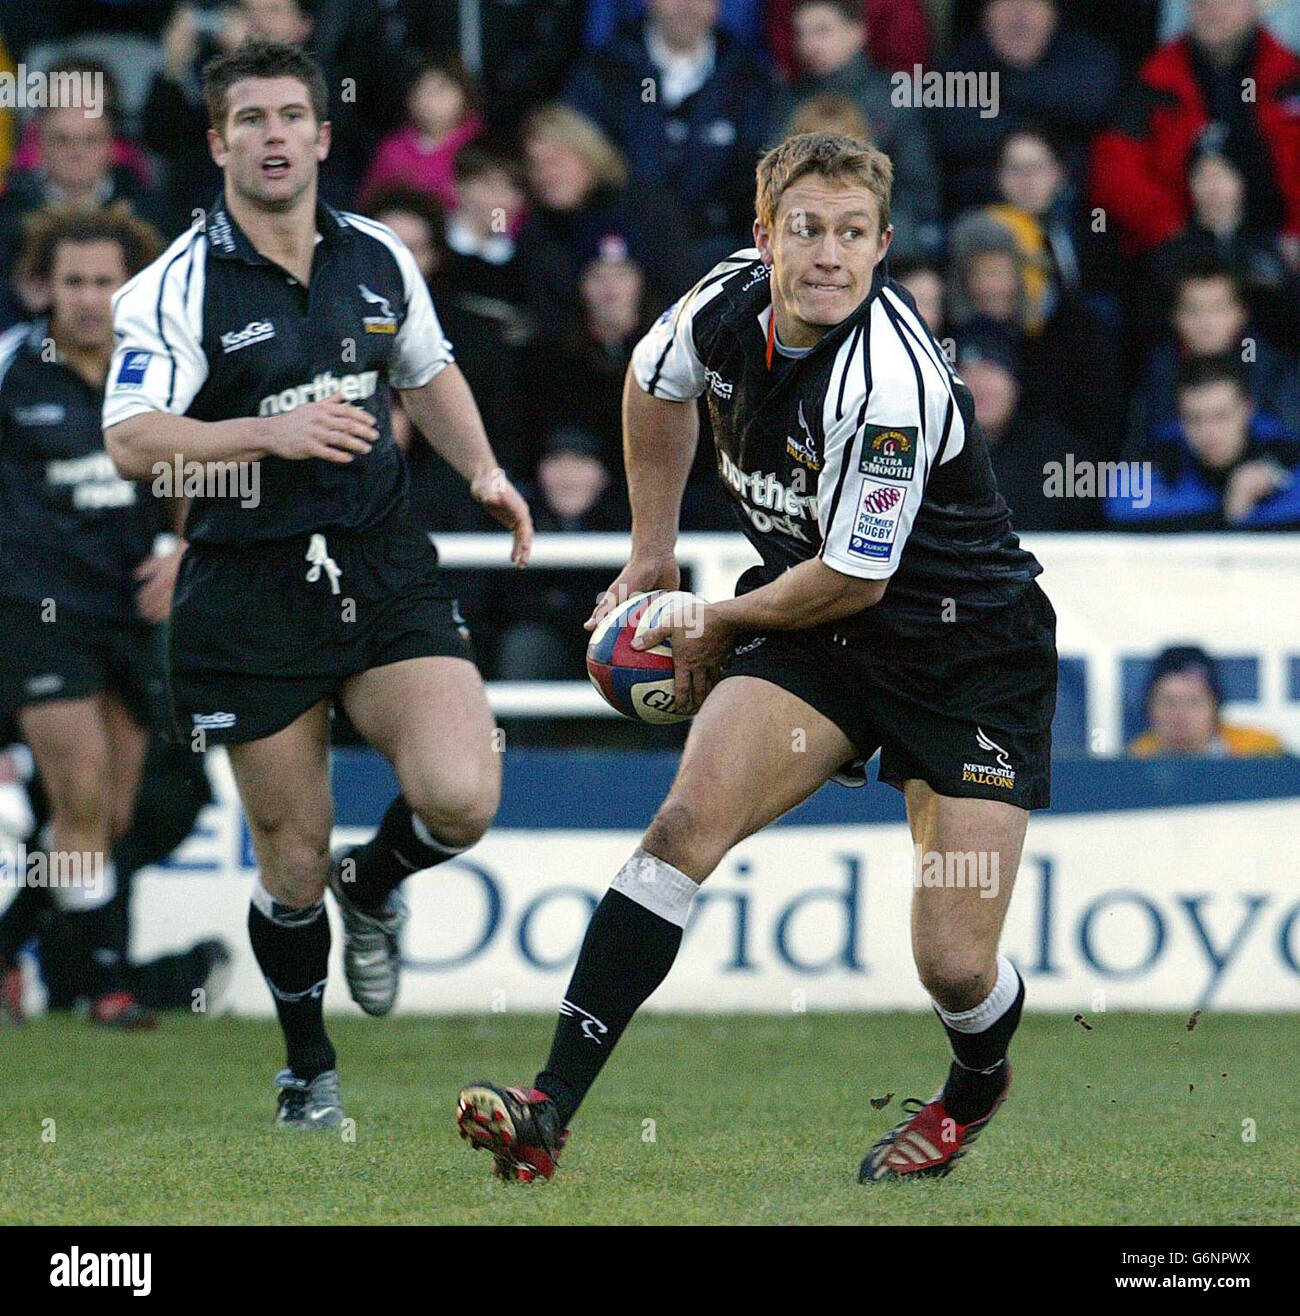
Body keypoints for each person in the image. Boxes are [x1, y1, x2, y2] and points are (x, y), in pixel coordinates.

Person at [457, 131, 1058, 1185]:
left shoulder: (892, 383)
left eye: (853, 235)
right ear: (764, 236)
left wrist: (718, 621)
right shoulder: (725, 301)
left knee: (953, 961)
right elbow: (652, 386)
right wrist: (650, 552)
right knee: (683, 824)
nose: (828, 255)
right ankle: (547, 1107)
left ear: (881, 247)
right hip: (814, 633)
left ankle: (973, 1084)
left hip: (968, 654)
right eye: (806, 230)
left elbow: (857, 576)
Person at [103, 40, 533, 1128]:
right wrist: (270, 431)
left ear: (324, 135)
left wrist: (480, 468)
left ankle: (375, 882)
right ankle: (307, 1070)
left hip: (379, 560)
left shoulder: (381, 251)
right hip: (249, 586)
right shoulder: (173, 287)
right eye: (250, 119)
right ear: (217, 143)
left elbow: (425, 369)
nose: (275, 134)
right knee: (289, 860)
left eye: (292, 115)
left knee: (463, 790)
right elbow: (131, 440)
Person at [0, 207, 170, 1028]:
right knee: (81, 789)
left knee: (109, 814)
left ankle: (6, 951)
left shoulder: (161, 366)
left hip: (130, 610)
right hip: (35, 610)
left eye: (106, 280)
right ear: (45, 285)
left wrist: (182, 553)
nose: (90, 297)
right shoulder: (10, 367)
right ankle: (108, 987)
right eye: (73, 281)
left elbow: (200, 466)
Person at [1090, 0, 1300, 264]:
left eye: (1228, 3)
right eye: (1202, 3)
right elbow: (1113, 168)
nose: (1214, 11)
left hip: (1279, 245)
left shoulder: (1288, 73)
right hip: (1177, 250)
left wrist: (1296, 232)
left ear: (1254, 6)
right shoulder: (1155, 79)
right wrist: (1168, 228)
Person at [774, 0, 941, 258]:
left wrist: (859, 229)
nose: (809, 44)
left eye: (822, 31)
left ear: (857, 33)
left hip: (880, 244)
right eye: (801, 33)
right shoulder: (784, 99)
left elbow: (918, 190)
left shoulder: (893, 100)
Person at [1106, 354, 1300, 529]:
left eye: (1221, 416)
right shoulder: (1157, 462)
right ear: (1179, 417)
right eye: (1194, 418)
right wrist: (1229, 512)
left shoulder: (1288, 456)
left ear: (1247, 409)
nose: (1208, 432)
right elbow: (1122, 507)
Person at [358, 58, 484, 212]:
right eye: (422, 90)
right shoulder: (394, 149)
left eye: (440, 90)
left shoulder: (481, 144)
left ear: (465, 95)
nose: (429, 99)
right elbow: (371, 202)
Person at [1129, 644, 1287, 756]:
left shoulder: (1261, 753)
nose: (1180, 715)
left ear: (1215, 707)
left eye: (1193, 702)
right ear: (1149, 707)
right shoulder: (1133, 762)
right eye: (1168, 702)